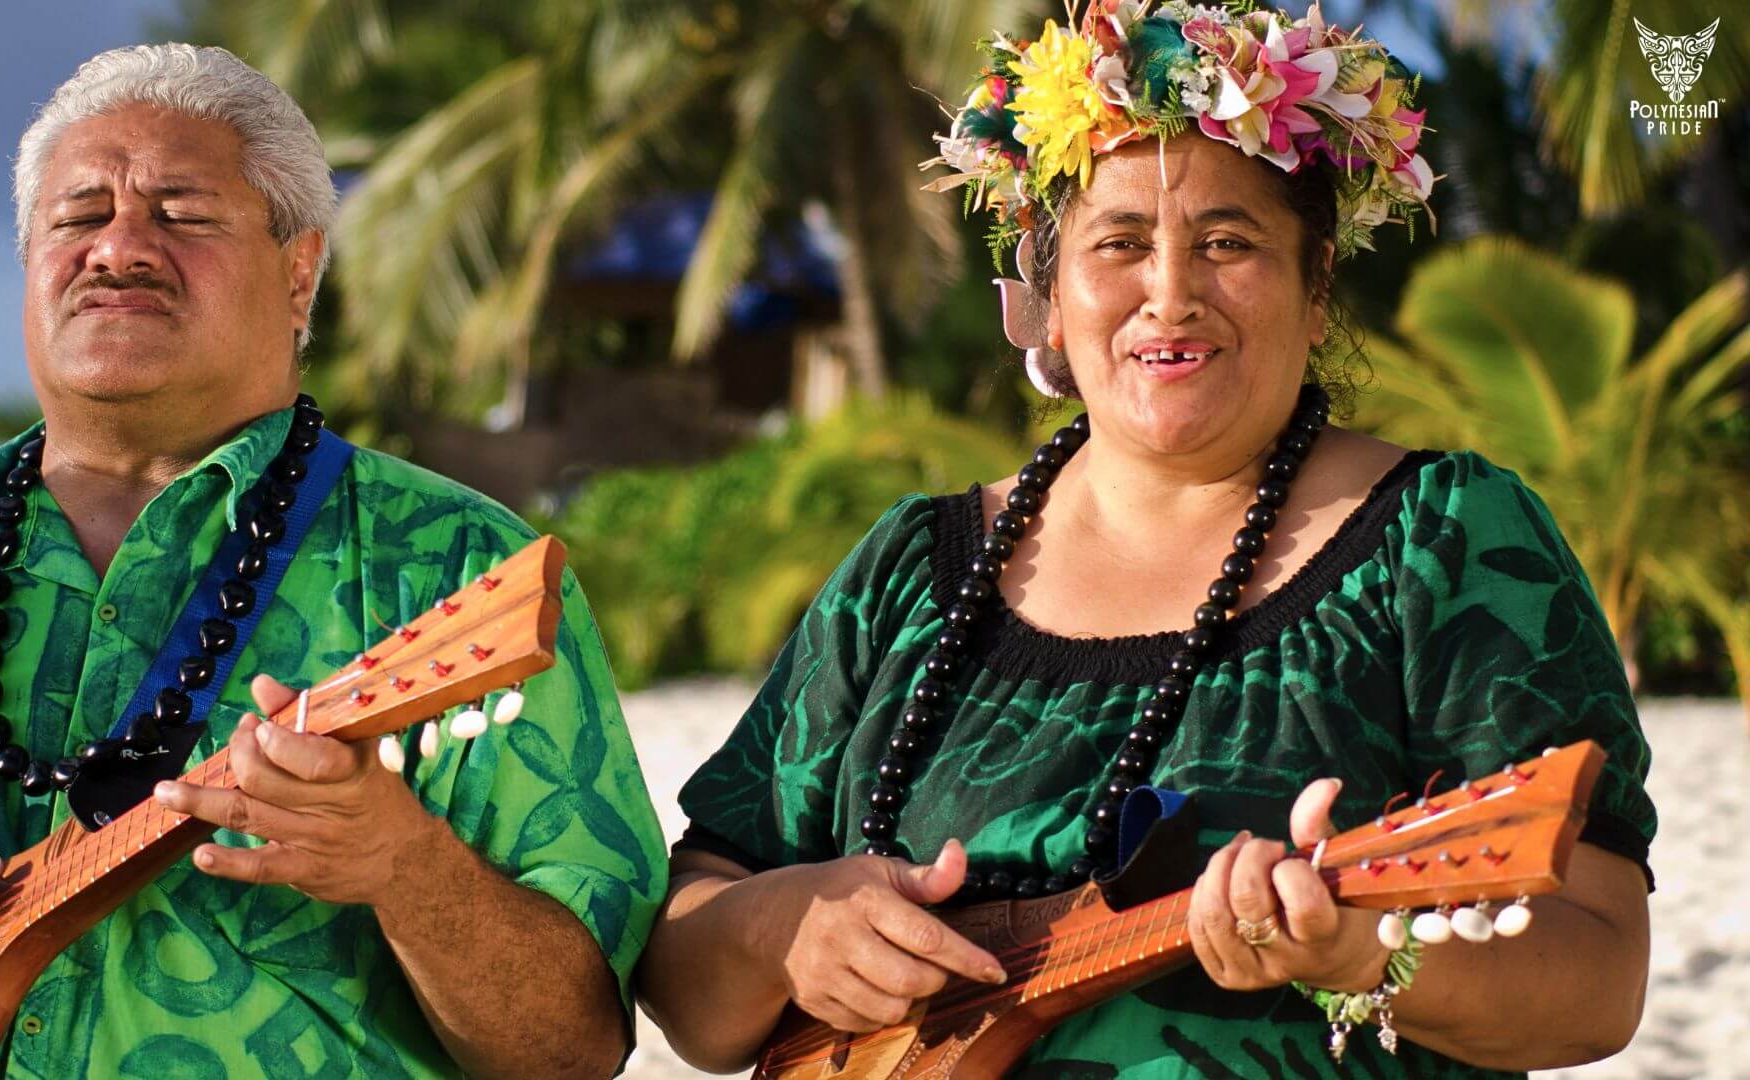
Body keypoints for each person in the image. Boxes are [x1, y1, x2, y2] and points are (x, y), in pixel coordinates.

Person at [636, 4, 1653, 1076]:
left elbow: (1598, 981)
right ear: (1049, 297)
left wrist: (1364, 954)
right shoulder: (912, 572)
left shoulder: (1440, 540)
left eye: (1228, 243)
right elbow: (692, 997)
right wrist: (780, 931)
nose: (1171, 295)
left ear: (1317, 289)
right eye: (1119, 244)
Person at [0, 44, 664, 1077]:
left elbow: (571, 1051)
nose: (118, 248)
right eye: (78, 217)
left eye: (181, 214)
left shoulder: (453, 566)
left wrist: (404, 865)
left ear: (299, 272)